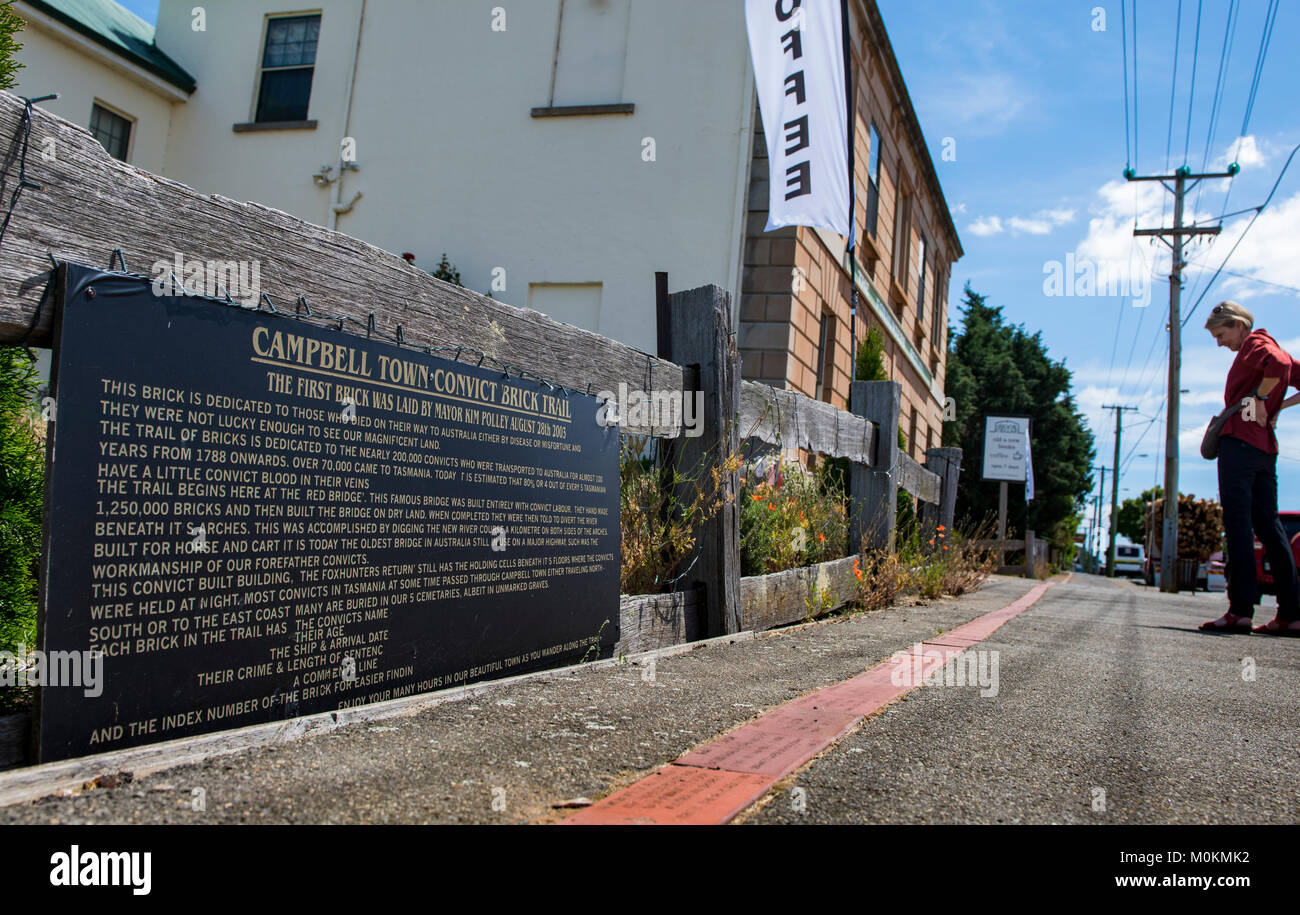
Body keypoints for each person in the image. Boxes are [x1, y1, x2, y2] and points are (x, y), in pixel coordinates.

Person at [1199, 301, 1300, 634]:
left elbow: (1280, 363)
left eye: (1221, 334)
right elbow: (1287, 369)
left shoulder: (1256, 344)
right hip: (1264, 448)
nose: (1220, 343)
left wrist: (1260, 399)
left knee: (1238, 524)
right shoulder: (1263, 347)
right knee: (1269, 527)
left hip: (1240, 444)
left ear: (1239, 325)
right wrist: (1277, 407)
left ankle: (1239, 610)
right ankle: (1290, 614)